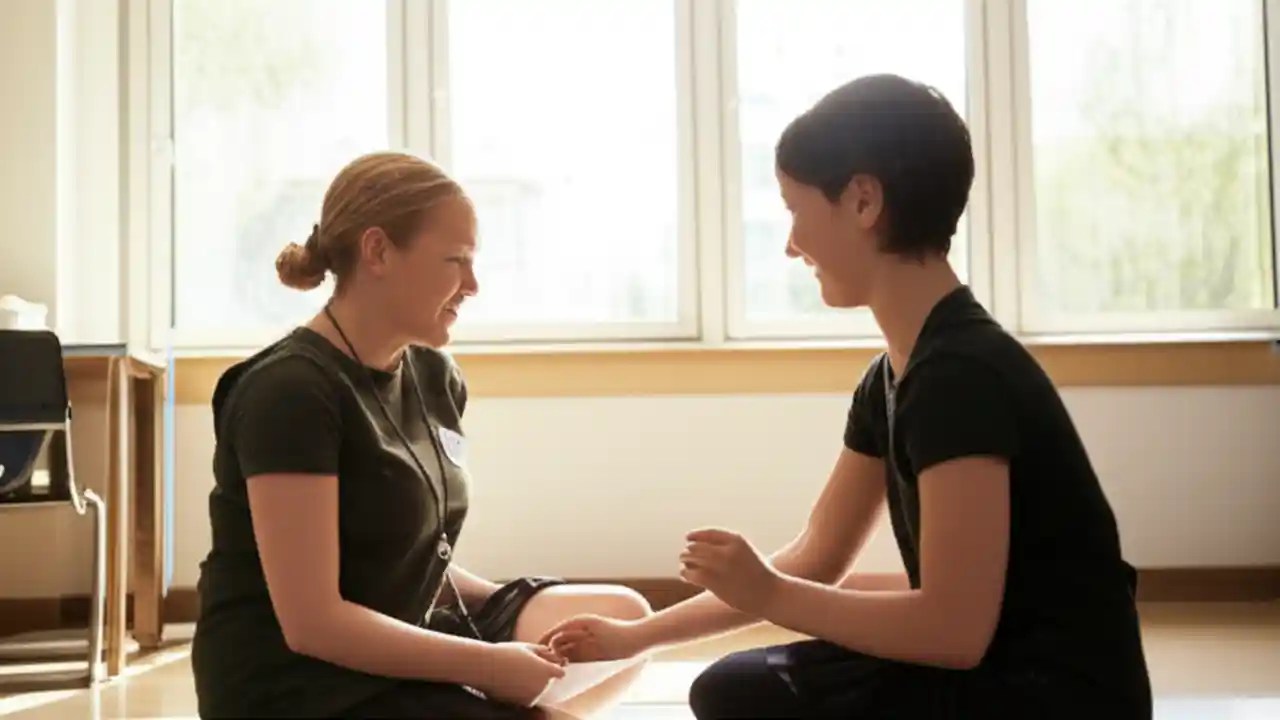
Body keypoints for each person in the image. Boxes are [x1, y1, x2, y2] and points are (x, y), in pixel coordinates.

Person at [543, 75, 1153, 718]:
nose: (791, 243)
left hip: (1049, 695)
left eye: (794, 209)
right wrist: (637, 637)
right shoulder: (895, 376)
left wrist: (768, 594)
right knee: (735, 686)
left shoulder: (961, 376)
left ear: (863, 201)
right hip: (997, 670)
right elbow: (817, 557)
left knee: (745, 693)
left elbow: (954, 631)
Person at [191, 151, 651, 719]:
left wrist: (507, 615)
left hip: (406, 623)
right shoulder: (288, 393)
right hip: (302, 683)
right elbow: (314, 623)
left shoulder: (434, 377)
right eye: (455, 260)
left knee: (624, 621)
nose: (473, 285)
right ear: (378, 251)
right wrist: (490, 666)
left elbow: (399, 550)